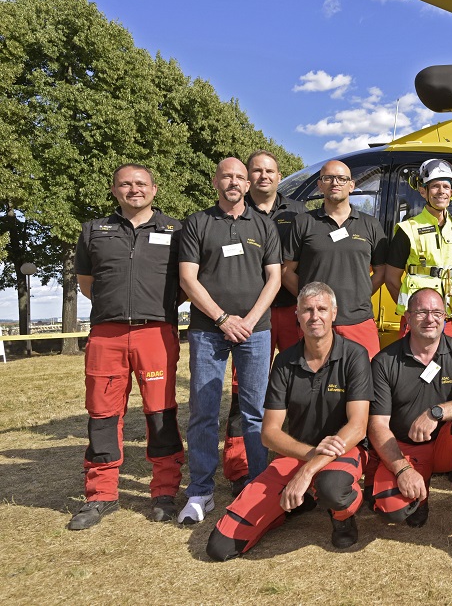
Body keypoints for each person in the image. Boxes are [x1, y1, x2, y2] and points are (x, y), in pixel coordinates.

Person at [206, 282, 372, 560]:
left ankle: (342, 516)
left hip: (344, 450)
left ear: (334, 313)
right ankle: (299, 502)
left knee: (332, 487)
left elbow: (357, 427)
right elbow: (269, 433)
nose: (314, 316)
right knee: (220, 546)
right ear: (297, 314)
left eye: (321, 309)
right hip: (298, 453)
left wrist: (308, 471)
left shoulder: (354, 355)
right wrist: (308, 457)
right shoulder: (285, 361)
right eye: (307, 310)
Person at [68, 164, 185, 530]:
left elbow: (184, 283)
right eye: (125, 184)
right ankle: (100, 495)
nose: (134, 189)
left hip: (155, 333)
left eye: (141, 184)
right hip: (107, 334)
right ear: (114, 189)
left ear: (154, 188)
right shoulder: (93, 231)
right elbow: (88, 283)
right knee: (102, 415)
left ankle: (164, 492)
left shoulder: (176, 230)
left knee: (160, 414)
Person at [177, 157, 281, 525]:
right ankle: (200, 491)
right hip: (208, 330)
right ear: (215, 181)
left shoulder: (264, 224)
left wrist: (249, 321)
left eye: (240, 176)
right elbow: (189, 279)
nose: (234, 182)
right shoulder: (198, 223)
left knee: (255, 412)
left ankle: (257, 485)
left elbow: (275, 278)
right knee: (203, 412)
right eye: (228, 176)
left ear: (247, 183)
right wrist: (223, 319)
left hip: (256, 330)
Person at [368, 288, 452, 568]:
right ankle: (418, 497)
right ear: (408, 317)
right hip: (405, 449)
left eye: (437, 313)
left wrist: (438, 412)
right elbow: (377, 426)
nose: (430, 319)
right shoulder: (385, 361)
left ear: (445, 318)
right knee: (392, 509)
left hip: (445, 445)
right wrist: (402, 469)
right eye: (422, 312)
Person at [221, 150, 307, 496]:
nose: (263, 176)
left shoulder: (298, 211)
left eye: (270, 170)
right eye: (256, 170)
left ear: (279, 174)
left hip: (289, 311)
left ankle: (297, 456)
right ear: (247, 176)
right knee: (245, 393)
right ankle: (240, 466)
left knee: (300, 385)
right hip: (250, 316)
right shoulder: (233, 213)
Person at [282, 159, 387, 359]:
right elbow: (286, 271)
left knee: (364, 382)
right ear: (319, 185)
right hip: (316, 320)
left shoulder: (371, 225)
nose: (335, 182)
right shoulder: (303, 222)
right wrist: (311, 299)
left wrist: (360, 294)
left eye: (341, 178)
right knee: (315, 381)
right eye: (328, 178)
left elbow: (381, 272)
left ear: (352, 185)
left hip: (359, 320)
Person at [384, 159, 452, 339]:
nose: (441, 192)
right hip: (419, 320)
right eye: (435, 186)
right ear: (423, 191)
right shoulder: (407, 230)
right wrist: (411, 314)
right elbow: (391, 279)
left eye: (446, 187)